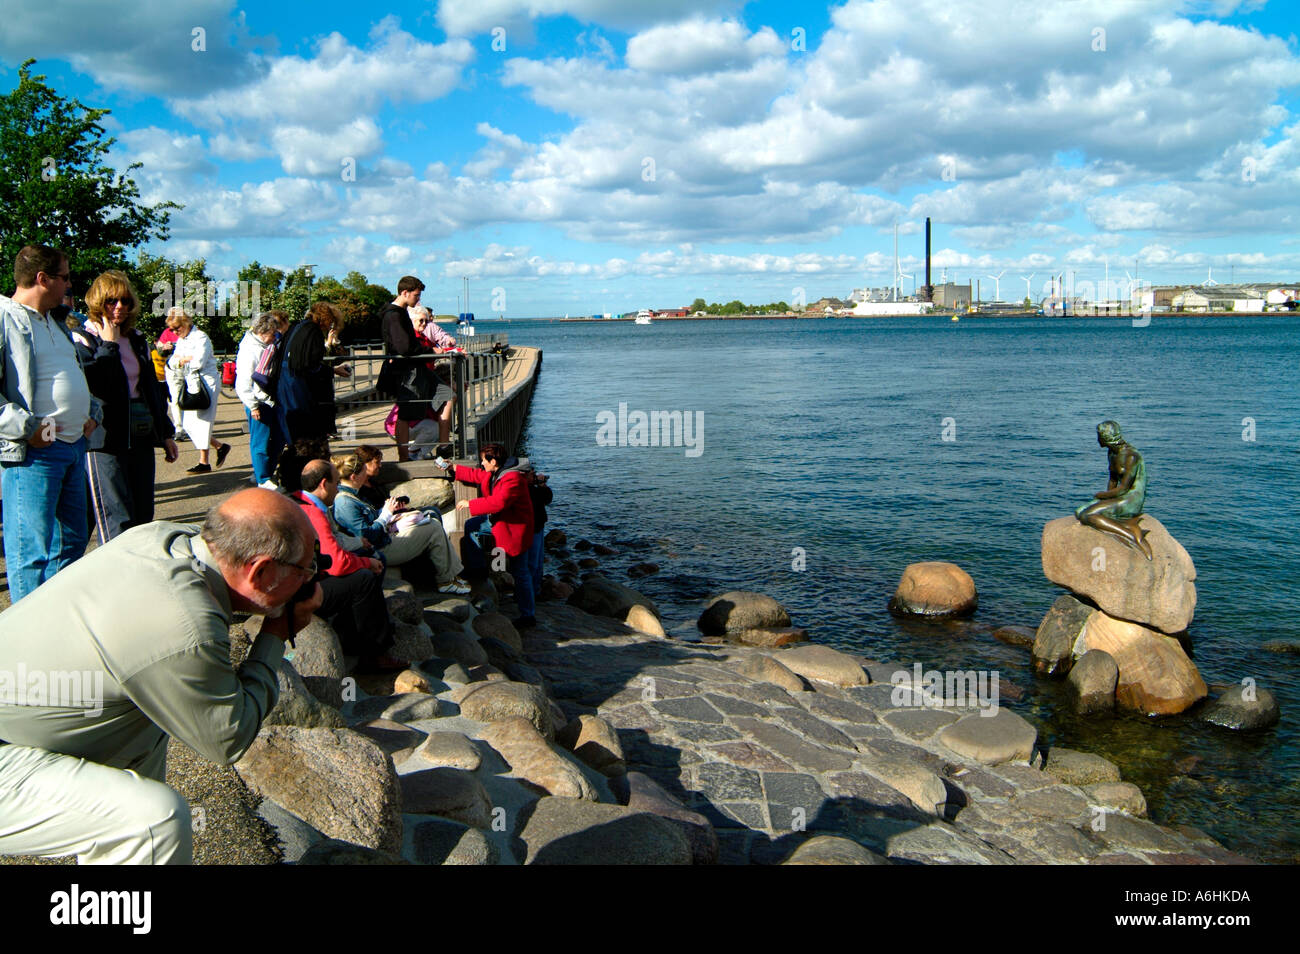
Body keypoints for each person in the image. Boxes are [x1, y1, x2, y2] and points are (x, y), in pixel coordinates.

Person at [0, 488, 322, 864]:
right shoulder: (183, 627)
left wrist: (277, 595)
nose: (310, 578)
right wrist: (276, 633)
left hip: (22, 721)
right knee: (154, 821)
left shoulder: (159, 538)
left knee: (150, 710)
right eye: (306, 568)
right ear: (261, 570)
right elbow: (228, 738)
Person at [0, 244, 102, 604]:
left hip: (73, 446)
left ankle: (54, 615)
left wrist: (92, 411)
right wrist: (28, 428)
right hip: (34, 454)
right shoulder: (4, 317)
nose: (69, 285)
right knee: (31, 551)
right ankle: (28, 633)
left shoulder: (56, 321)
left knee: (72, 541)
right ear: (42, 279)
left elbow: (69, 374)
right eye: (64, 277)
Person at [70, 271, 180, 543]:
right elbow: (95, 382)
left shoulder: (136, 338)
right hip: (104, 440)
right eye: (111, 301)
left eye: (125, 301)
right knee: (115, 517)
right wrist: (108, 344)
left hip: (139, 433)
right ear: (98, 302)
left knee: (143, 513)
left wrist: (165, 432)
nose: (119, 307)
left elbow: (150, 388)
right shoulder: (82, 339)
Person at [292, 458, 401, 671]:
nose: (338, 487)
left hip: (302, 577)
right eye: (335, 482)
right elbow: (337, 564)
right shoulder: (314, 513)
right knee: (365, 578)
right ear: (324, 484)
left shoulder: (298, 501)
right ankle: (374, 652)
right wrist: (366, 562)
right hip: (302, 589)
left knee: (366, 567)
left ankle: (352, 632)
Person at [332, 448, 470, 594]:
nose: (365, 475)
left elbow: (371, 523)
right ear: (354, 477)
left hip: (383, 539)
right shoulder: (345, 503)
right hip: (379, 548)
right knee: (433, 528)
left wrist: (391, 512)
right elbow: (366, 536)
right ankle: (445, 580)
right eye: (361, 472)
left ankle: (451, 576)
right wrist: (385, 515)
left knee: (430, 520)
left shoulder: (351, 496)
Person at [439, 441, 536, 627]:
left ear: (494, 461)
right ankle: (479, 571)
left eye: (484, 460)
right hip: (499, 524)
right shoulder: (495, 472)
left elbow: (499, 502)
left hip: (515, 530)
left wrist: (470, 504)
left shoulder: (513, 478)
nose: (481, 463)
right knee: (472, 527)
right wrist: (453, 467)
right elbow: (477, 475)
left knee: (521, 571)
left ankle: (527, 614)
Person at [165, 307, 230, 474]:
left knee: (202, 421)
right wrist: (183, 360)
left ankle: (204, 461)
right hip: (191, 382)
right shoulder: (182, 341)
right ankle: (219, 446)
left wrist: (181, 360)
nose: (174, 332)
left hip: (206, 383)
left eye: (177, 328)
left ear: (186, 323)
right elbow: (172, 363)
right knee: (188, 423)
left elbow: (198, 362)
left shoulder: (201, 337)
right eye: (172, 329)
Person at [1075, 420, 1152, 559]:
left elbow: (1123, 489)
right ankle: (1121, 523)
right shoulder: (1112, 453)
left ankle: (1132, 536)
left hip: (1130, 499)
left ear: (1105, 437)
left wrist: (1102, 495)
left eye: (1099, 435)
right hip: (1118, 497)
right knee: (1079, 512)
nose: (1097, 439)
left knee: (1089, 515)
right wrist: (1104, 498)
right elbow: (1113, 480)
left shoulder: (1131, 456)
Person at [278, 302, 350, 444]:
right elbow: (311, 364)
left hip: (286, 383)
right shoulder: (313, 332)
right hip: (299, 386)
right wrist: (332, 371)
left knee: (295, 432)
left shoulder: (297, 327)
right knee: (309, 434)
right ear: (326, 318)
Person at [380, 277, 431, 461]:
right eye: (416, 295)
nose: (418, 300)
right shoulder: (394, 315)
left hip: (405, 369)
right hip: (404, 372)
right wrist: (429, 350)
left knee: (405, 413)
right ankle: (403, 456)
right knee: (404, 414)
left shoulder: (397, 312)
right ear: (405, 292)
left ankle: (406, 455)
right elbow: (404, 347)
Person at [235, 312, 284, 489]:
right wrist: (253, 405)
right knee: (261, 441)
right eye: (273, 333)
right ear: (264, 332)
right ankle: (262, 478)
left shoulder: (264, 345)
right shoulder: (249, 350)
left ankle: (266, 475)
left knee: (277, 439)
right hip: (258, 401)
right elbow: (243, 381)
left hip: (268, 400)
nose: (274, 337)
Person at [522, 464, 552, 605]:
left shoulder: (530, 489)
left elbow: (546, 498)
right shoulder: (529, 490)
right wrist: (542, 484)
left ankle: (534, 592)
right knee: (533, 564)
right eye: (532, 474)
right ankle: (531, 595)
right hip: (533, 529)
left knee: (536, 563)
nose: (534, 477)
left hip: (537, 527)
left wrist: (540, 484)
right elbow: (547, 498)